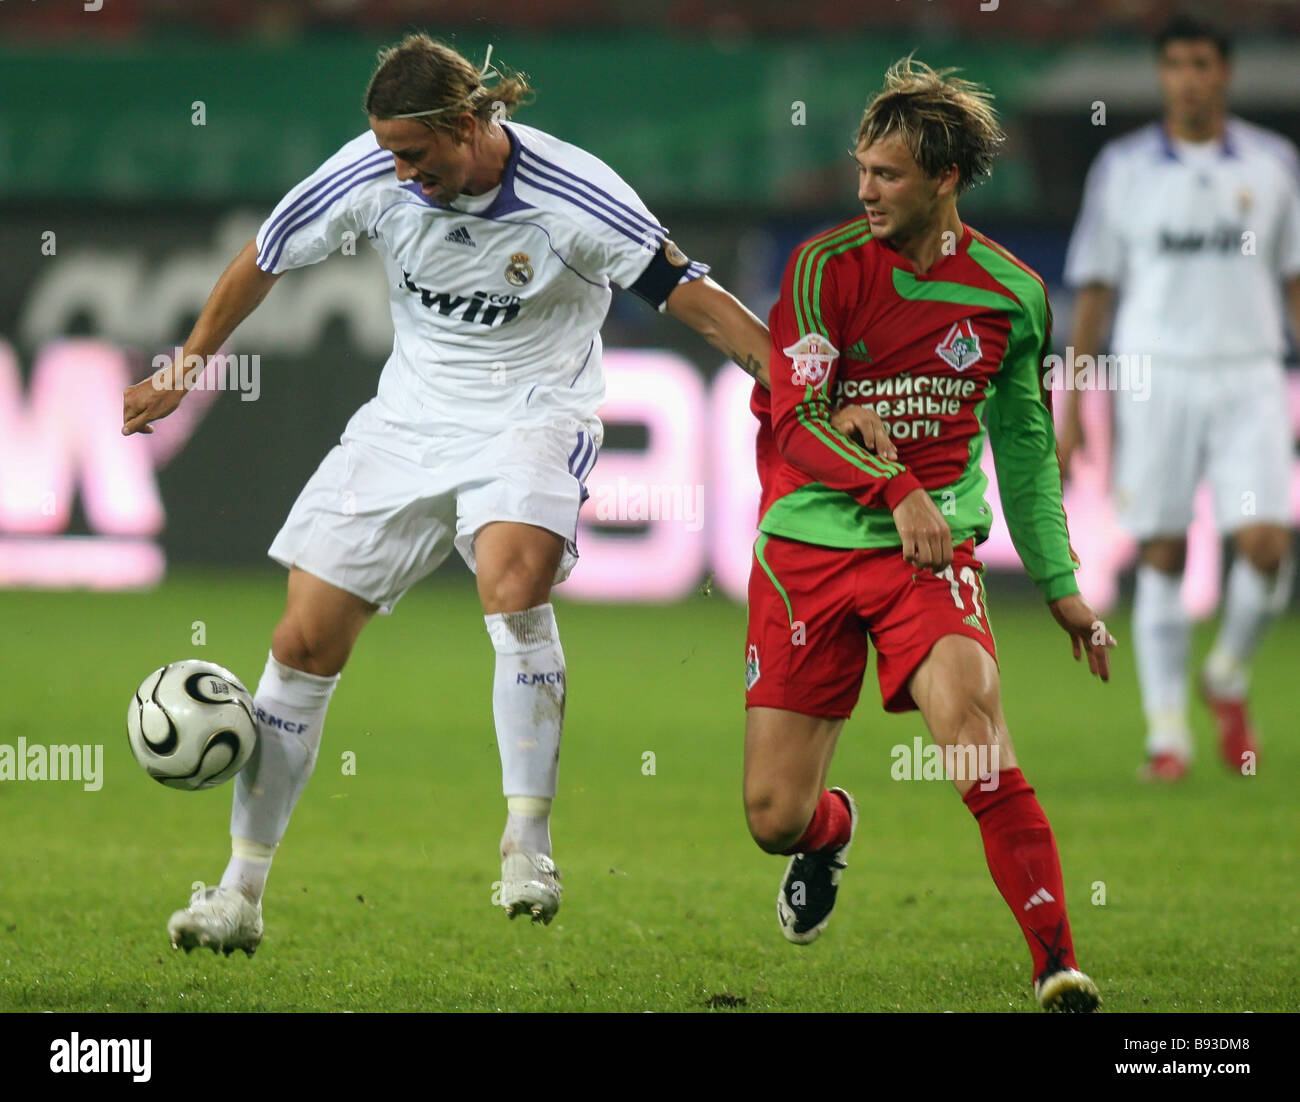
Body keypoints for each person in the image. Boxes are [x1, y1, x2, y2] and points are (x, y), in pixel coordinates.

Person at [122, 33, 772, 953]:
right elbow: (263, 255)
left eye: (416, 155)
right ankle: (239, 893)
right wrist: (186, 367)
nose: (401, 172)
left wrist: (788, 378)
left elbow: (691, 293)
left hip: (534, 413)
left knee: (512, 581)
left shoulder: (575, 195)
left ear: (469, 124)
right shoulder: (372, 173)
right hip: (410, 418)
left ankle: (526, 843)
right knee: (299, 641)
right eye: (389, 153)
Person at [744, 58, 1114, 1012]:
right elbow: (796, 420)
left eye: (887, 175)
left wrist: (1061, 584)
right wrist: (895, 483)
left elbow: (1026, 451)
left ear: (945, 180)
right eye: (861, 169)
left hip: (929, 555)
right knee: (772, 818)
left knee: (977, 741)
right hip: (811, 551)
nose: (863, 190)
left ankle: (1057, 965)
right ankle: (830, 833)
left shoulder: (1011, 294)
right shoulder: (824, 268)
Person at [1060, 14, 1300, 781]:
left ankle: (1225, 674)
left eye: (1202, 62)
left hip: (1251, 372)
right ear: (1162, 75)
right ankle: (1168, 736)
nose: (1189, 77)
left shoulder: (1273, 164)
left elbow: (1294, 283)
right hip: (1155, 373)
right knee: (1162, 549)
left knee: (1267, 544)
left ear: (1224, 72)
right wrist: (1071, 406)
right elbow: (1095, 290)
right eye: (1175, 64)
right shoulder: (1123, 168)